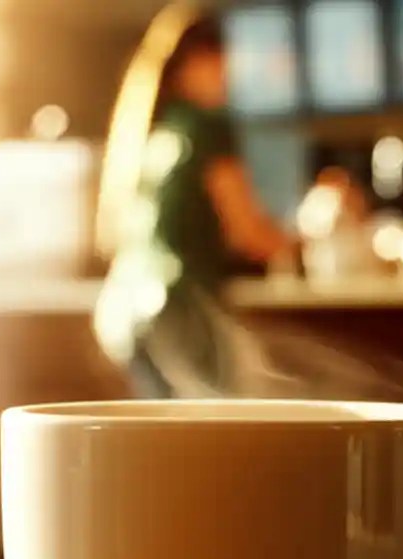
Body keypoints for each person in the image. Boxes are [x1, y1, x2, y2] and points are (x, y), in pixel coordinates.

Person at [94, 14, 296, 398]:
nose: (231, 77)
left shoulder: (153, 129)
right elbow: (247, 232)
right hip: (178, 308)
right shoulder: (207, 128)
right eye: (226, 62)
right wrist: (307, 248)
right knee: (222, 438)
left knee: (167, 442)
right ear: (198, 62)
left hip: (126, 310)